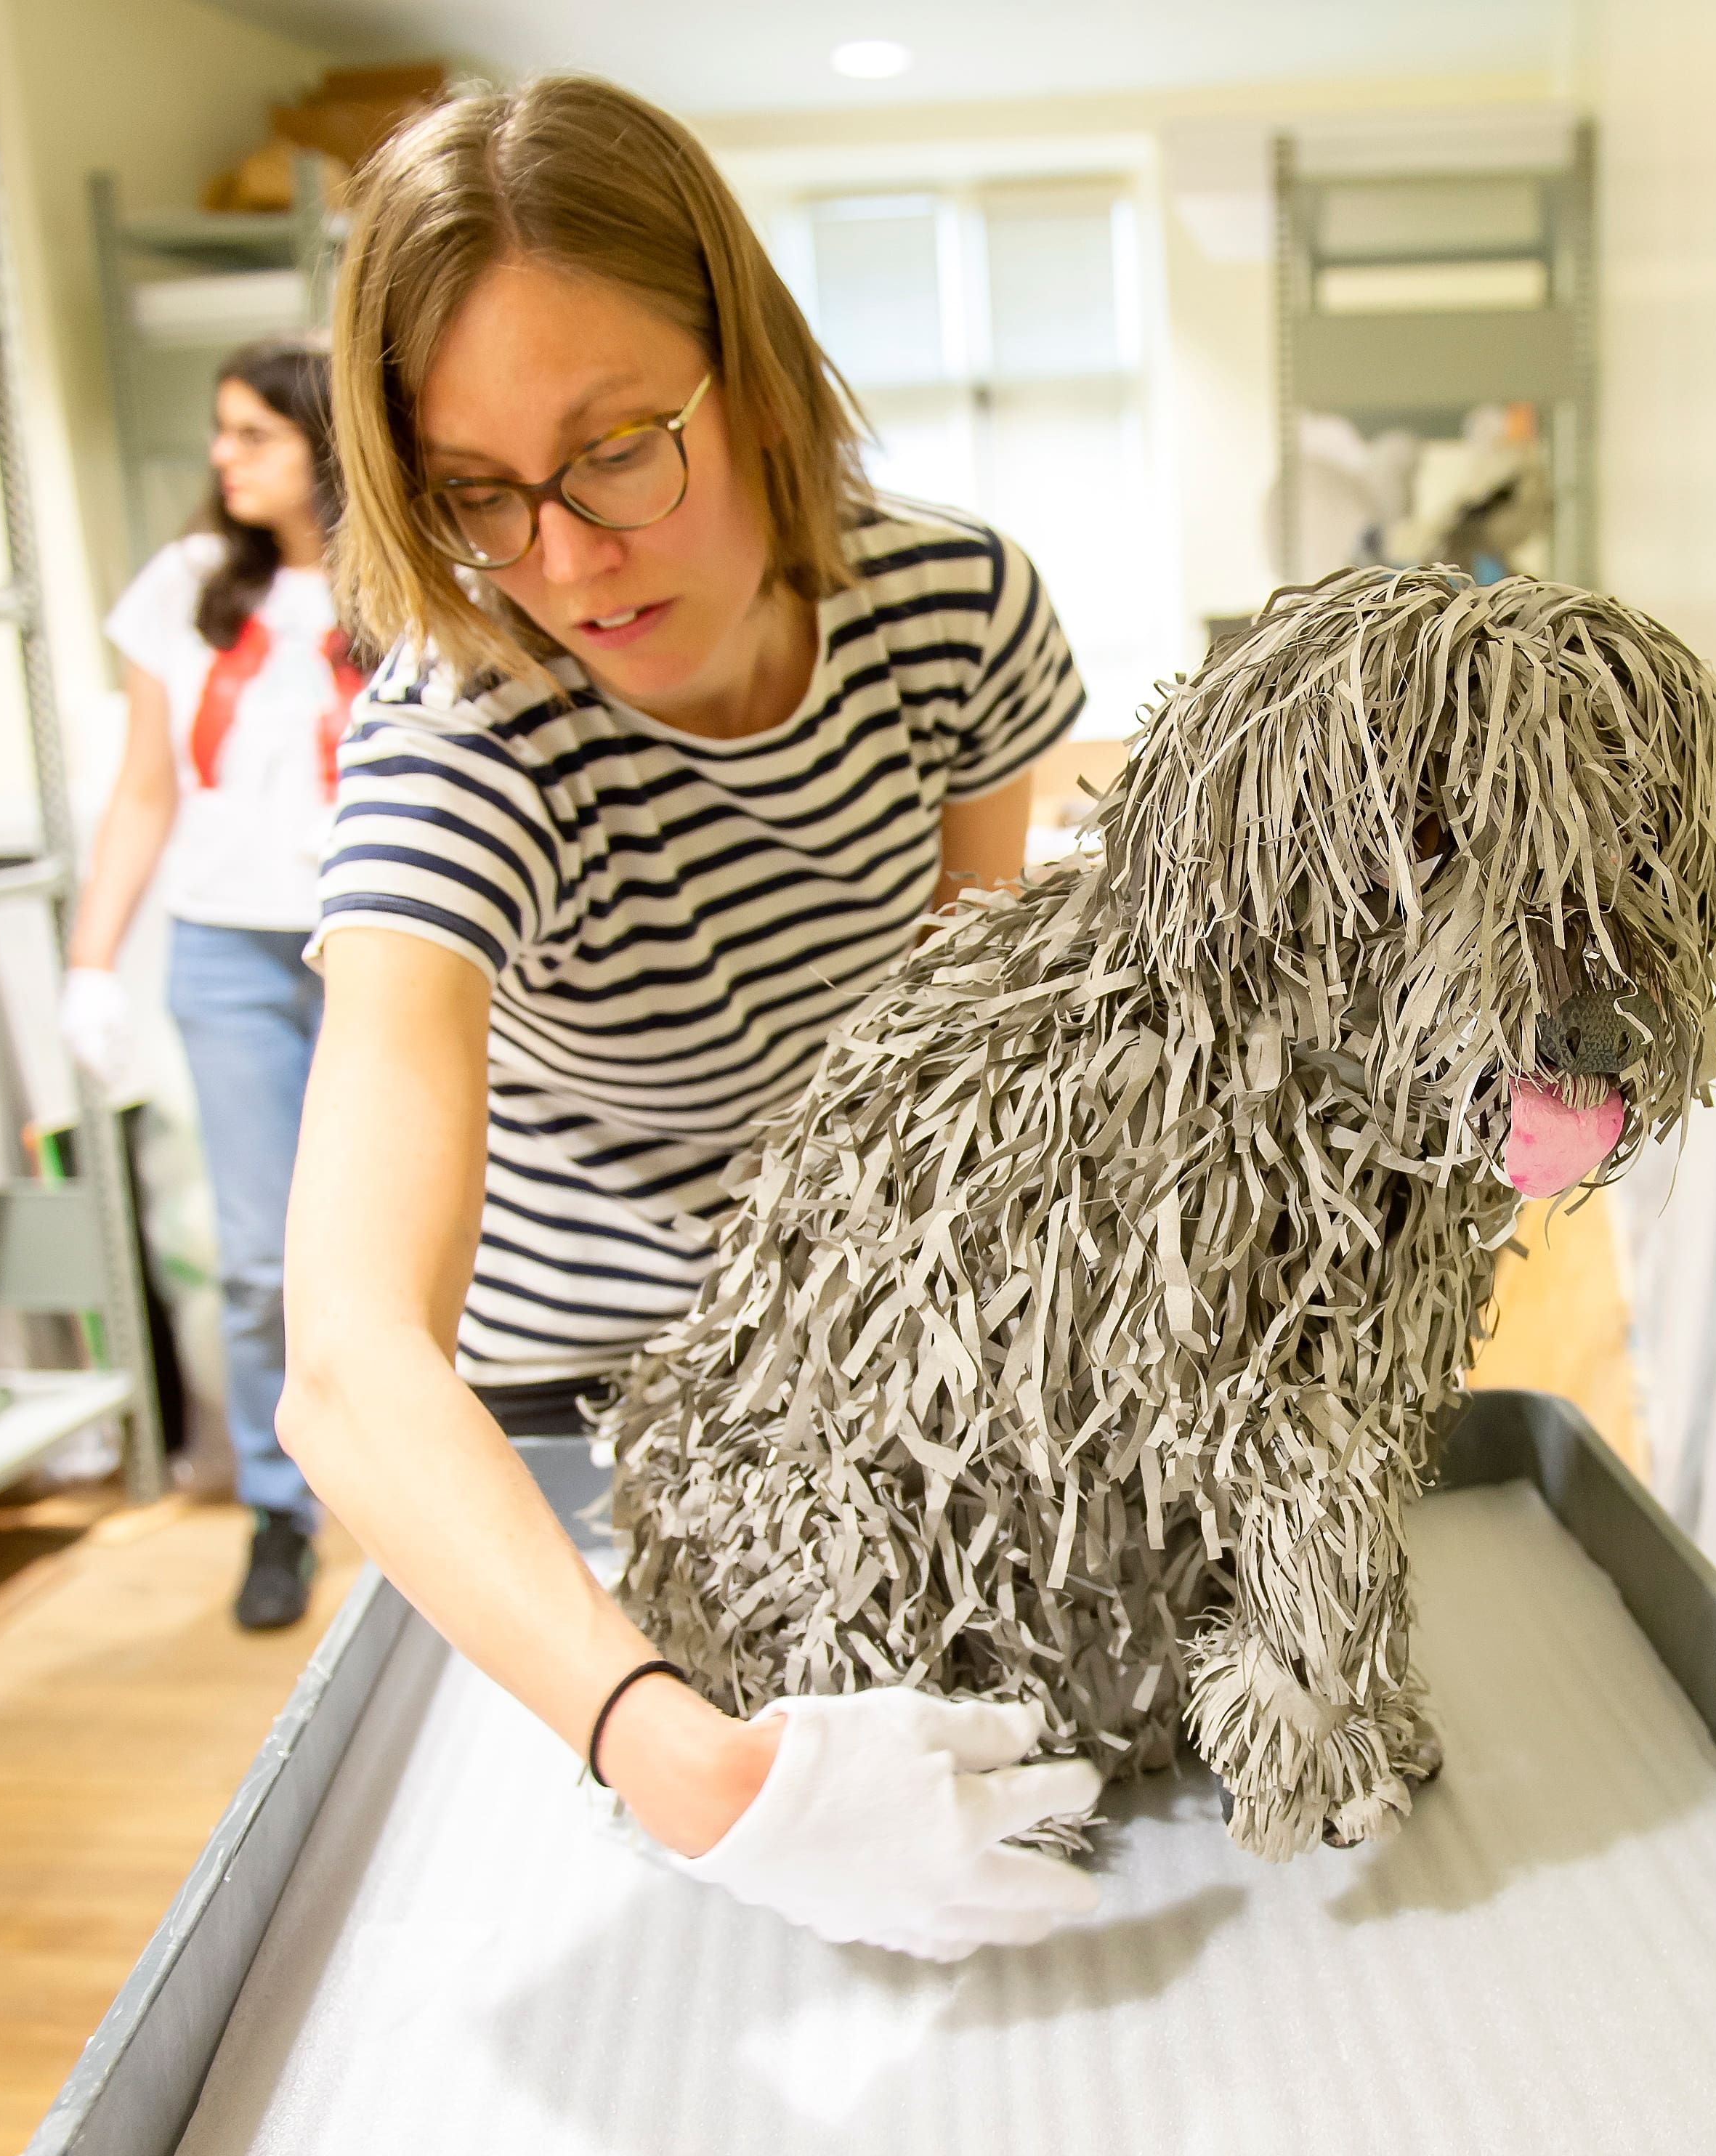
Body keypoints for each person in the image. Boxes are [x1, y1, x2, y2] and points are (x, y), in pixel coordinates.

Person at [280, 77, 1107, 1960]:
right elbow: (345, 1363)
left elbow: (958, 1052)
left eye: (621, 447)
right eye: (476, 495)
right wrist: (678, 1755)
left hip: (867, 1338)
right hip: (584, 1413)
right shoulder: (460, 743)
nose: (568, 562)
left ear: (755, 369)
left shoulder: (950, 613)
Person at [59, 336, 364, 1632]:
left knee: (431, 1238)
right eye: (220, 432)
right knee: (256, 1259)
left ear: (324, 444)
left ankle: (454, 1499)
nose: (225, 458)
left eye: (256, 434)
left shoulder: (396, 574)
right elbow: (142, 789)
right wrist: (88, 959)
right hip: (229, 953)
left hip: (375, 946)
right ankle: (277, 1512)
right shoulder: (181, 589)